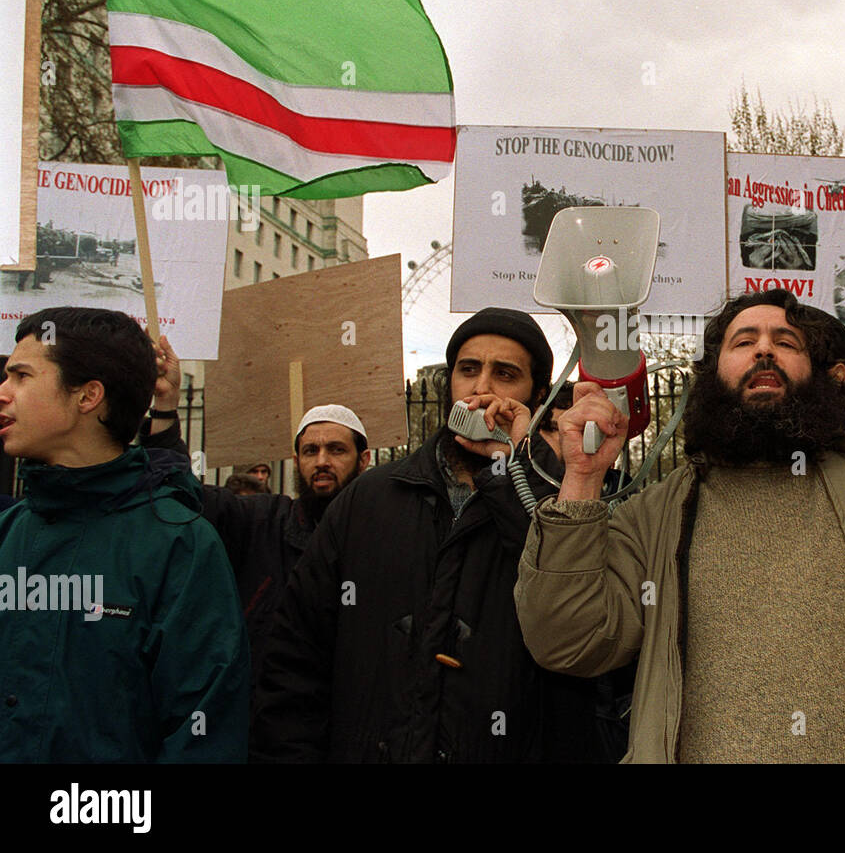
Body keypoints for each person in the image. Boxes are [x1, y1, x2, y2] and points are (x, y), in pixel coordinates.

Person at [515, 140, 845, 763]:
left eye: (785, 340)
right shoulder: (653, 519)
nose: (765, 350)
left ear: (818, 372)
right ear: (710, 376)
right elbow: (569, 640)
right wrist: (579, 481)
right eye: (744, 340)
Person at [254, 308, 615, 763]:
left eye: (505, 374)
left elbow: (580, 629)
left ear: (537, 396)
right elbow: (296, 656)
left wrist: (517, 471)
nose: (482, 388)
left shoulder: (562, 509)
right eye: (468, 370)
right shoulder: (369, 499)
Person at [0, 307, 248, 762]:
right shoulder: (8, 533)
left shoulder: (180, 546)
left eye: (20, 376)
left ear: (88, 395)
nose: (3, 392)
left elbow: (203, 734)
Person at [142, 348, 370, 689]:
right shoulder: (260, 521)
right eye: (310, 451)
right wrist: (165, 406)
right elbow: (178, 495)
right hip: (263, 722)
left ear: (363, 459)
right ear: (296, 459)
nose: (322, 461)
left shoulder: (382, 537)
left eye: (336, 450)